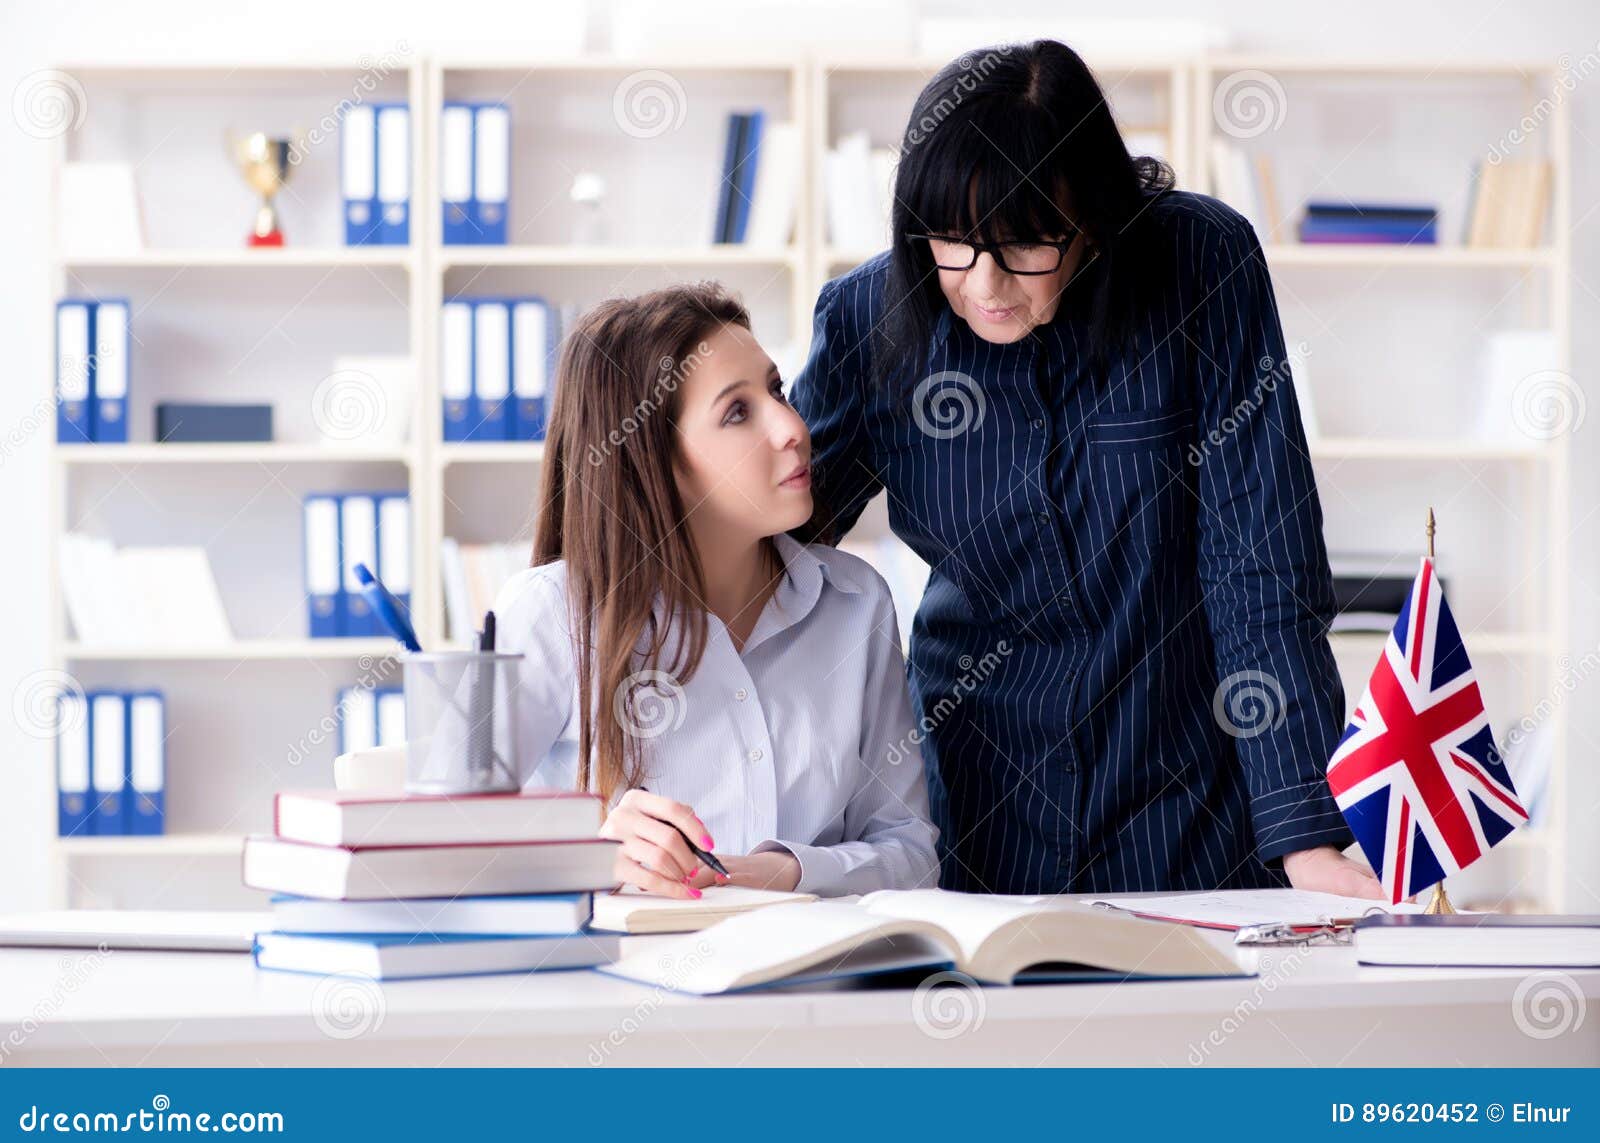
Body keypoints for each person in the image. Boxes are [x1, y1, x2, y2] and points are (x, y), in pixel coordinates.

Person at [790, 39, 1381, 899]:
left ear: (1094, 214)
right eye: (953, 241)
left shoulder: (1199, 263)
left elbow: (1259, 558)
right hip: (978, 806)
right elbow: (769, 545)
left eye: (1026, 245)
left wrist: (1305, 835)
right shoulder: (866, 318)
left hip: (1187, 804)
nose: (985, 285)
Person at [492, 283, 939, 899]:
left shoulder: (856, 602)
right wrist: (587, 854)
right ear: (652, 459)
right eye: (737, 412)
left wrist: (780, 872)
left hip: (819, 961)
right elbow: (441, 847)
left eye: (777, 391)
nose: (792, 427)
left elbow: (910, 854)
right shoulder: (551, 614)